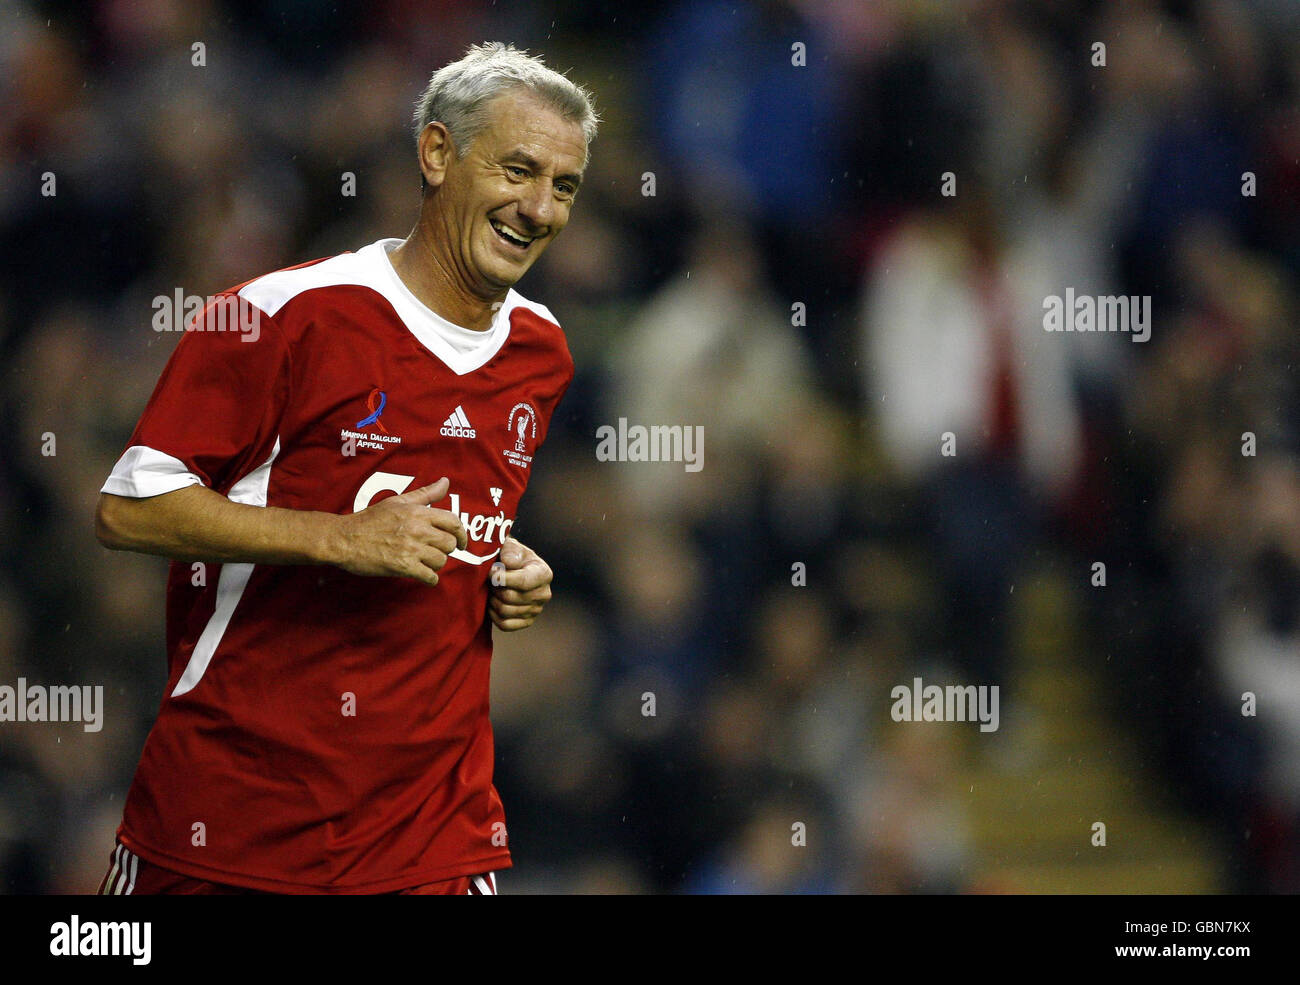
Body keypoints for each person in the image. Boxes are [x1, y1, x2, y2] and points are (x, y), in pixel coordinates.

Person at [91, 42, 598, 895]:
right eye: (518, 169)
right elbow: (131, 506)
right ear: (438, 153)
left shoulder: (542, 351)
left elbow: (448, 511)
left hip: (432, 838)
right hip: (231, 828)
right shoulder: (281, 316)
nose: (539, 207)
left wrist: (509, 565)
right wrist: (342, 540)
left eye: (565, 185)